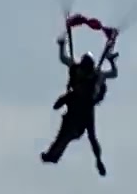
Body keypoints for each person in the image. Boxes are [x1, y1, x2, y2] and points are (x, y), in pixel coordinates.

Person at [40, 33, 119, 176]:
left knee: (89, 137)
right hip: (73, 102)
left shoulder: (97, 75)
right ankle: (52, 155)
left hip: (86, 108)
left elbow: (113, 74)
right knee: (64, 133)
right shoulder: (76, 68)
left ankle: (98, 160)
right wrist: (61, 45)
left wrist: (112, 62)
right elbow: (64, 58)